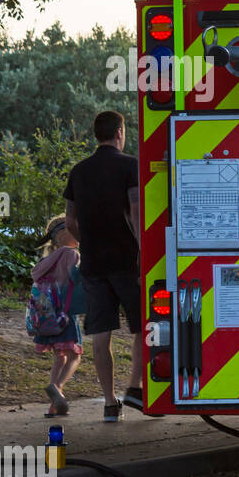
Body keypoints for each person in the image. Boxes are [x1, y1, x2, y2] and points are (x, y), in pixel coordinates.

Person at [64, 110, 141, 423]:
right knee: (143, 325)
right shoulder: (129, 165)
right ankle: (134, 387)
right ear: (120, 132)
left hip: (94, 263)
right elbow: (136, 208)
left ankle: (110, 403)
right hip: (127, 259)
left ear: (96, 134)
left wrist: (88, 242)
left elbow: (70, 221)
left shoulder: (78, 171)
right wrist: (142, 248)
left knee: (100, 333)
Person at [31, 215, 83, 418]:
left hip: (48, 315)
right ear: (65, 234)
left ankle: (53, 406)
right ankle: (57, 387)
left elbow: (34, 274)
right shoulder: (72, 254)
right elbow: (75, 278)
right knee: (75, 355)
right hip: (66, 313)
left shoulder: (48, 258)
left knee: (59, 357)